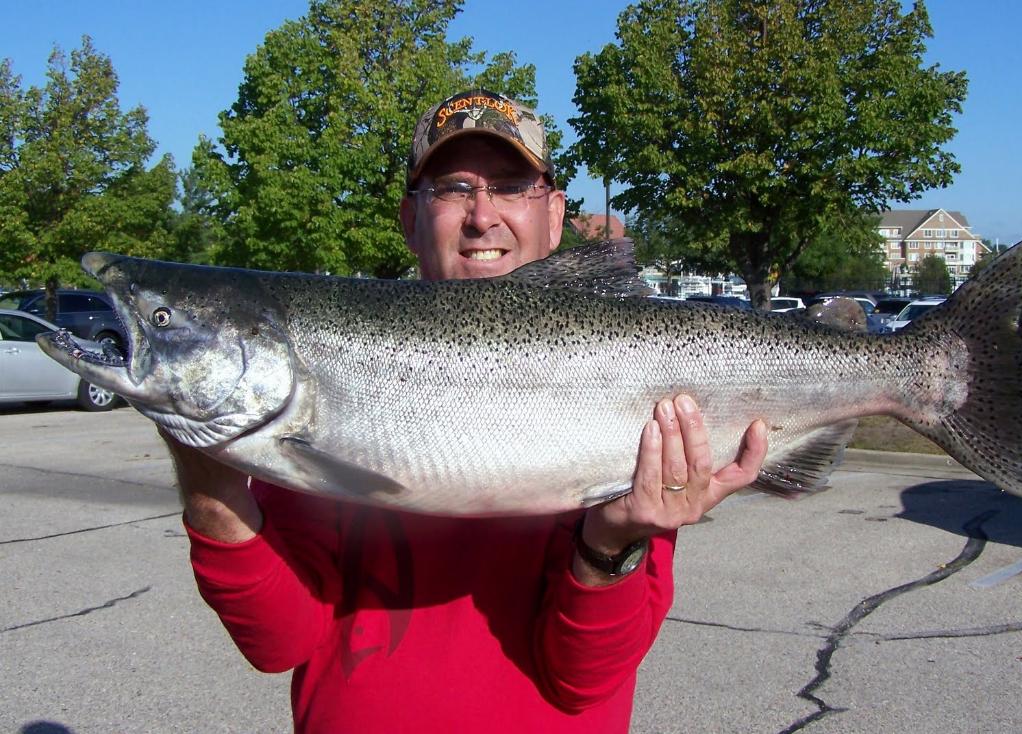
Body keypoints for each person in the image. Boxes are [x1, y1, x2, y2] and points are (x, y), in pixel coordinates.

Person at [167, 89, 768, 732]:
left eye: (511, 187)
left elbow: (579, 681)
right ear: (409, 217)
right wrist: (212, 485)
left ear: (556, 214)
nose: (483, 216)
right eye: (453, 189)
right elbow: (278, 643)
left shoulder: (629, 376)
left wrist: (612, 542)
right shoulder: (338, 370)